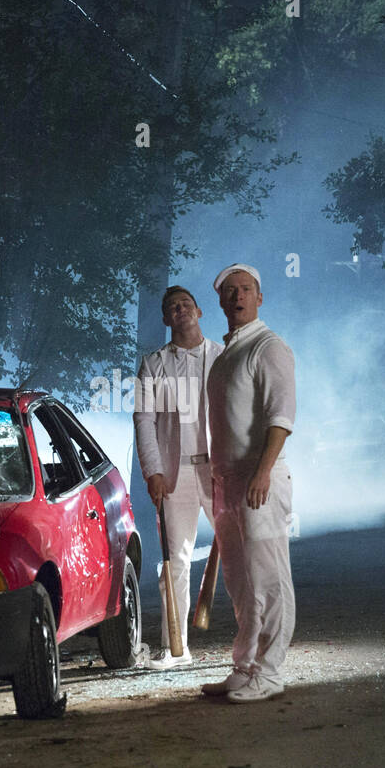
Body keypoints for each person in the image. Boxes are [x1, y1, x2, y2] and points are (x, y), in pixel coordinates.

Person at [200, 264, 296, 703]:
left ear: (260, 298)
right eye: (230, 291)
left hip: (260, 479)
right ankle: (245, 667)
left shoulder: (269, 348)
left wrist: (261, 471)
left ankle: (270, 672)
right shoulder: (224, 357)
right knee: (240, 582)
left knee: (269, 578)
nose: (237, 297)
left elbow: (281, 417)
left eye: (246, 290)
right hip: (227, 482)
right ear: (220, 302)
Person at [133, 285, 223, 669]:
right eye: (172, 307)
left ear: (200, 311)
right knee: (176, 561)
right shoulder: (151, 363)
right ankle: (177, 649)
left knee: (240, 556)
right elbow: (143, 419)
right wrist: (152, 471)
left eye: (186, 304)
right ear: (166, 319)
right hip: (174, 475)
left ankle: (254, 646)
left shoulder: (224, 357)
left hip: (219, 471)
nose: (180, 310)